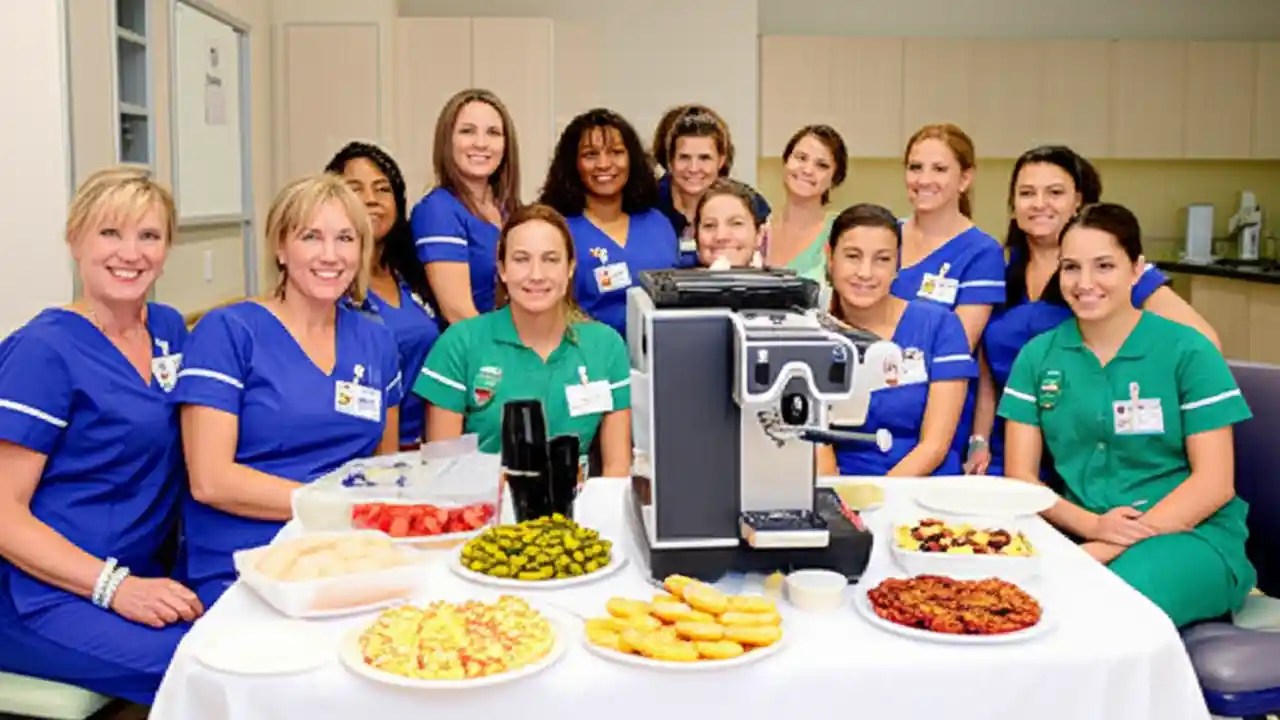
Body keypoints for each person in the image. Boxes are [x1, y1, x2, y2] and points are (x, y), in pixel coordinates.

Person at [998, 202, 1254, 628]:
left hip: (1190, 536)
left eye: (1104, 266)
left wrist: (1105, 547)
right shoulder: (1038, 356)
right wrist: (1091, 526)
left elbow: (1214, 482)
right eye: (1070, 268)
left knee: (1100, 611)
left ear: (1137, 270)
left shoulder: (1187, 351)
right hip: (1081, 531)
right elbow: (1020, 477)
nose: (1085, 284)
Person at [0, 168, 199, 704]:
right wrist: (114, 588)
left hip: (143, 573)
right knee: (210, 671)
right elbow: (3, 514)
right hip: (40, 594)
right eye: (110, 233)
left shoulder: (169, 331)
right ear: (75, 240)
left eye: (149, 236)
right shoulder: (43, 352)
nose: (130, 253)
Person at [175, 174, 401, 608]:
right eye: (311, 237)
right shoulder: (229, 333)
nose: (330, 255)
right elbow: (209, 480)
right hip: (251, 557)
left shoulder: (376, 341)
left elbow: (383, 469)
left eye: (345, 239)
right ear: (280, 248)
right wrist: (331, 507)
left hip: (350, 551)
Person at [967, 146, 1219, 476]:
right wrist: (979, 439)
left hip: (1090, 443)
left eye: (1055, 192)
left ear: (1078, 202)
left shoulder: (1109, 273)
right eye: (1027, 193)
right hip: (1010, 447)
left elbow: (1203, 341)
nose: (1039, 203)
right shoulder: (998, 269)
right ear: (1013, 206)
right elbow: (988, 367)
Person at [414, 204, 632, 476]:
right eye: (521, 259)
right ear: (502, 270)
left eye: (551, 259)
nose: (536, 275)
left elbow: (617, 468)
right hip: (487, 509)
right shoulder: (460, 343)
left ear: (571, 268)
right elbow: (441, 471)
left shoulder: (606, 345)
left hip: (576, 510)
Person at [816, 204, 976, 477]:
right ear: (830, 257)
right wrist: (839, 505)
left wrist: (882, 498)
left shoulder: (938, 325)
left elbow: (935, 445)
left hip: (922, 487)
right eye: (853, 256)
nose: (865, 272)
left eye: (882, 259)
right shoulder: (813, 333)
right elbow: (816, 443)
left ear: (898, 264)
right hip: (843, 487)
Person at [327, 141, 441, 448]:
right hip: (365, 453)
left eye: (382, 189)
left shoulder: (412, 275)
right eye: (356, 189)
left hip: (428, 447)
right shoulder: (326, 286)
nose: (371, 200)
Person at [538, 108, 678, 337]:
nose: (604, 164)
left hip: (662, 354)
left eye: (616, 152)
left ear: (631, 159)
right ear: (573, 164)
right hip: (588, 358)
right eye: (590, 154)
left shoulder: (658, 224)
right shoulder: (556, 229)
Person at [412, 88, 521, 324]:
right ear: (447, 140)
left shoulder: (510, 209)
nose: (481, 144)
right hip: (476, 354)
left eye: (493, 133)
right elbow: (459, 314)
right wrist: (512, 360)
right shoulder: (438, 211)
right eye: (467, 131)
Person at [655, 107, 771, 266]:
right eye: (684, 158)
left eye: (705, 158)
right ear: (670, 161)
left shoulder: (749, 203)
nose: (694, 168)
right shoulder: (647, 205)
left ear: (721, 160)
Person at [764, 125, 848, 283]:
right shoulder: (759, 230)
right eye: (801, 158)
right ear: (785, 161)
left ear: (835, 179)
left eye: (821, 165)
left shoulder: (841, 233)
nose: (808, 170)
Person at [694, 179, 766, 269]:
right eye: (709, 225)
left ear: (759, 234)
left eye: (736, 224)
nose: (720, 236)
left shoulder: (782, 282)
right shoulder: (674, 281)